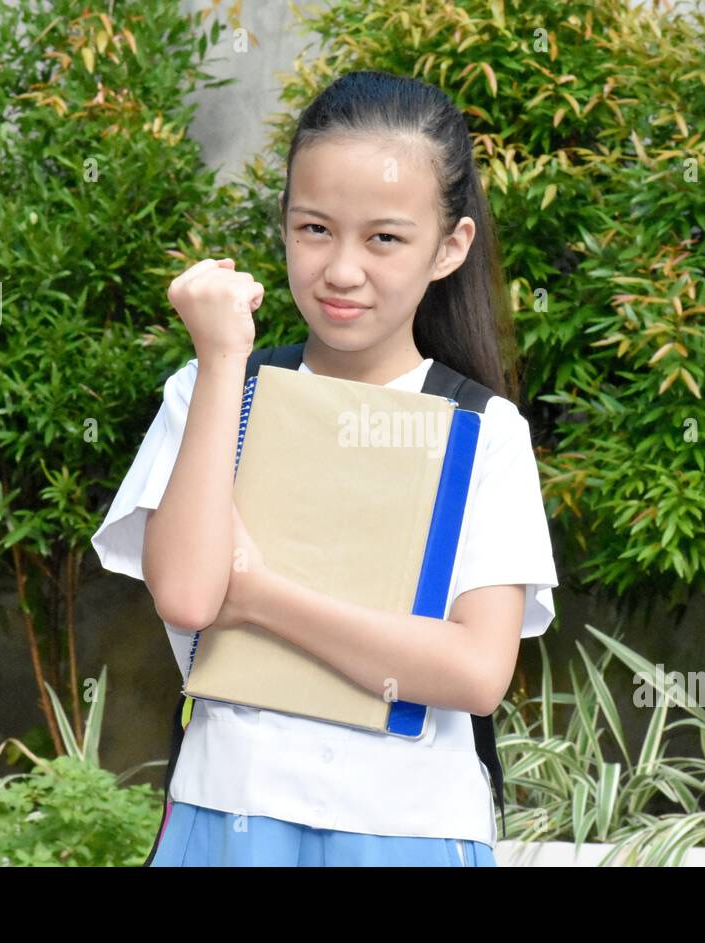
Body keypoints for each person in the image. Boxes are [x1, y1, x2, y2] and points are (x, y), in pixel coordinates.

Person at [90, 69, 558, 866]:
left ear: (450, 247)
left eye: (384, 237)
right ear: (282, 226)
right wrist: (222, 356)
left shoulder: (484, 431)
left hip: (410, 830)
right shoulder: (215, 390)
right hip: (225, 810)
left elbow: (476, 673)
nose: (342, 270)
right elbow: (192, 594)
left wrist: (263, 595)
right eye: (314, 229)